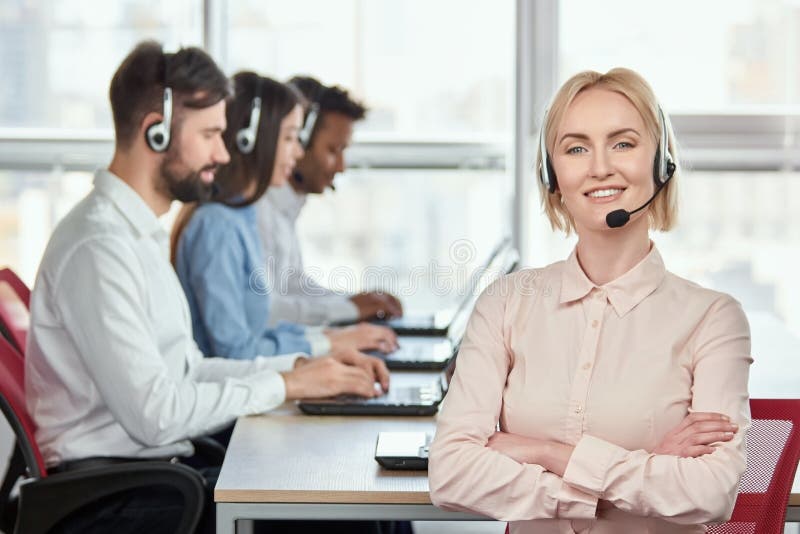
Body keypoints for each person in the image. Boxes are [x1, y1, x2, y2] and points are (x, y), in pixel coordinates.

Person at [25, 41, 389, 534]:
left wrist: (299, 368)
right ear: (155, 131)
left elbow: (189, 370)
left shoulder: (133, 235)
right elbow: (156, 416)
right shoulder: (98, 249)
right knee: (350, 517)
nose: (223, 151)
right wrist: (285, 384)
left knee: (354, 500)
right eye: (211, 133)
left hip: (155, 478)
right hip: (115, 501)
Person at [428, 68, 752, 533]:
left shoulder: (713, 318)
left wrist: (544, 453)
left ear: (660, 163)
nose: (600, 167)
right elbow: (451, 474)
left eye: (623, 143)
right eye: (576, 147)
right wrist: (631, 476)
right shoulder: (505, 303)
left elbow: (710, 493)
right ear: (551, 174)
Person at [171, 72, 399, 360]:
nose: (298, 151)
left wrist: (332, 339)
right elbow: (237, 350)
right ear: (254, 140)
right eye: (291, 137)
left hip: (254, 381)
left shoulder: (241, 218)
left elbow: (263, 325)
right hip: (239, 392)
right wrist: (331, 342)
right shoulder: (219, 225)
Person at [254, 75, 403, 326]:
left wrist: (352, 302)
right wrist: (348, 309)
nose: (341, 167)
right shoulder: (257, 212)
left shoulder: (283, 208)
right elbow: (267, 310)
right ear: (301, 141)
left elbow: (293, 286)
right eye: (333, 151)